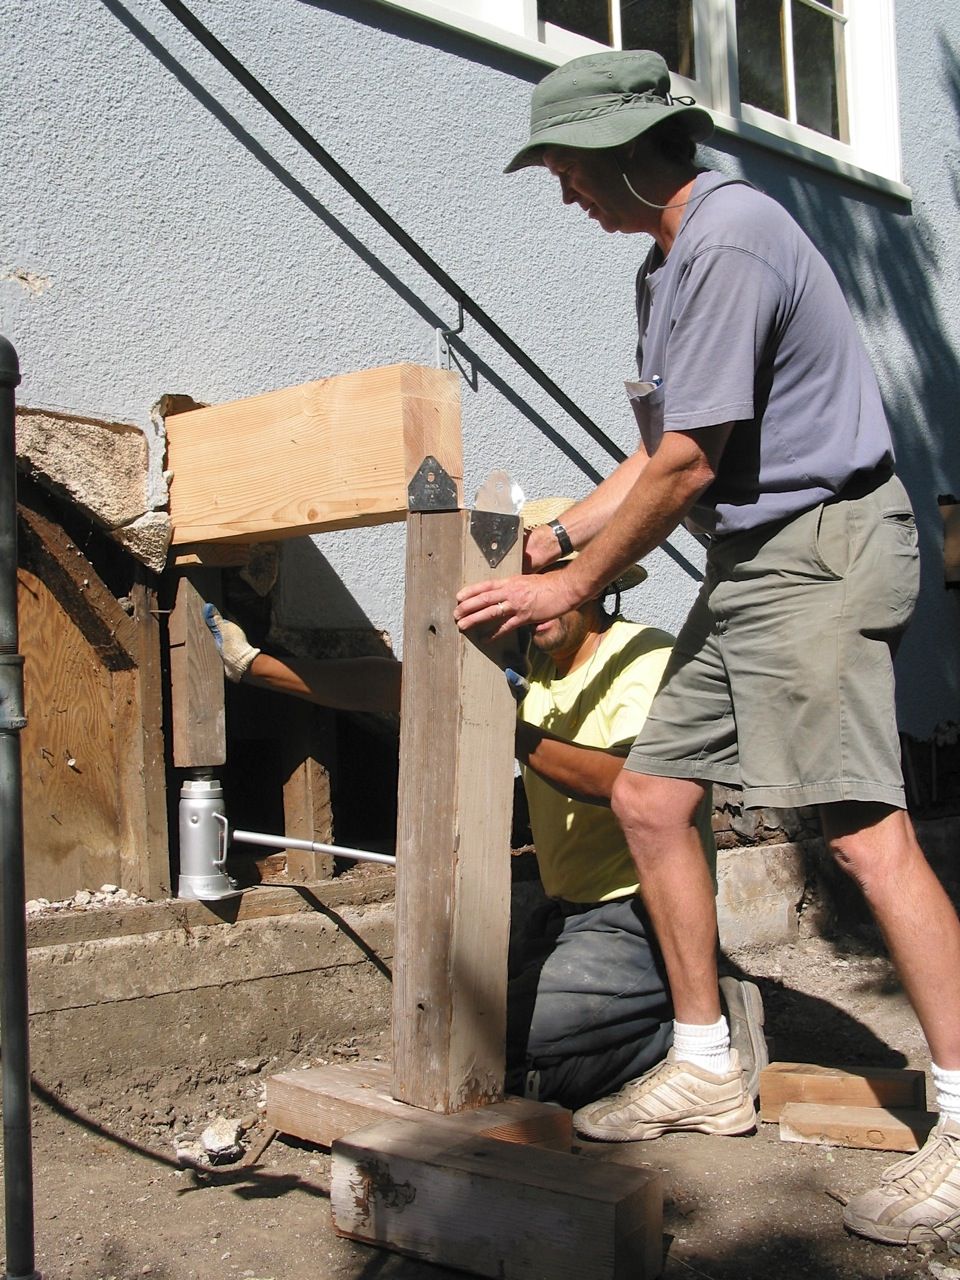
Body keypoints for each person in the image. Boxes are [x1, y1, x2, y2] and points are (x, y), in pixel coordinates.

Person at [452, 50, 960, 1245]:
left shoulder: (732, 238)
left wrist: (578, 581)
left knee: (866, 836)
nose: (565, 192)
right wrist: (561, 532)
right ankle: (705, 1062)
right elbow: (660, 453)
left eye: (570, 168)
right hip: (753, 564)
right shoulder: (667, 264)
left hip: (821, 549)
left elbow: (686, 466)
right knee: (649, 791)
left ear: (630, 151)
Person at [201, 496, 766, 1114]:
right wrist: (256, 667)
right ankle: (645, 1028)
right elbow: (388, 680)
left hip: (638, 919)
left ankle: (703, 1021)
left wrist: (510, 723)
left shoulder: (644, 657)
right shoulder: (533, 671)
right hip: (565, 917)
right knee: (473, 1041)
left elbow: (622, 782)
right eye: (523, 585)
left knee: (497, 1043)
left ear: (597, 585)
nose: (536, 601)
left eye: (552, 581)